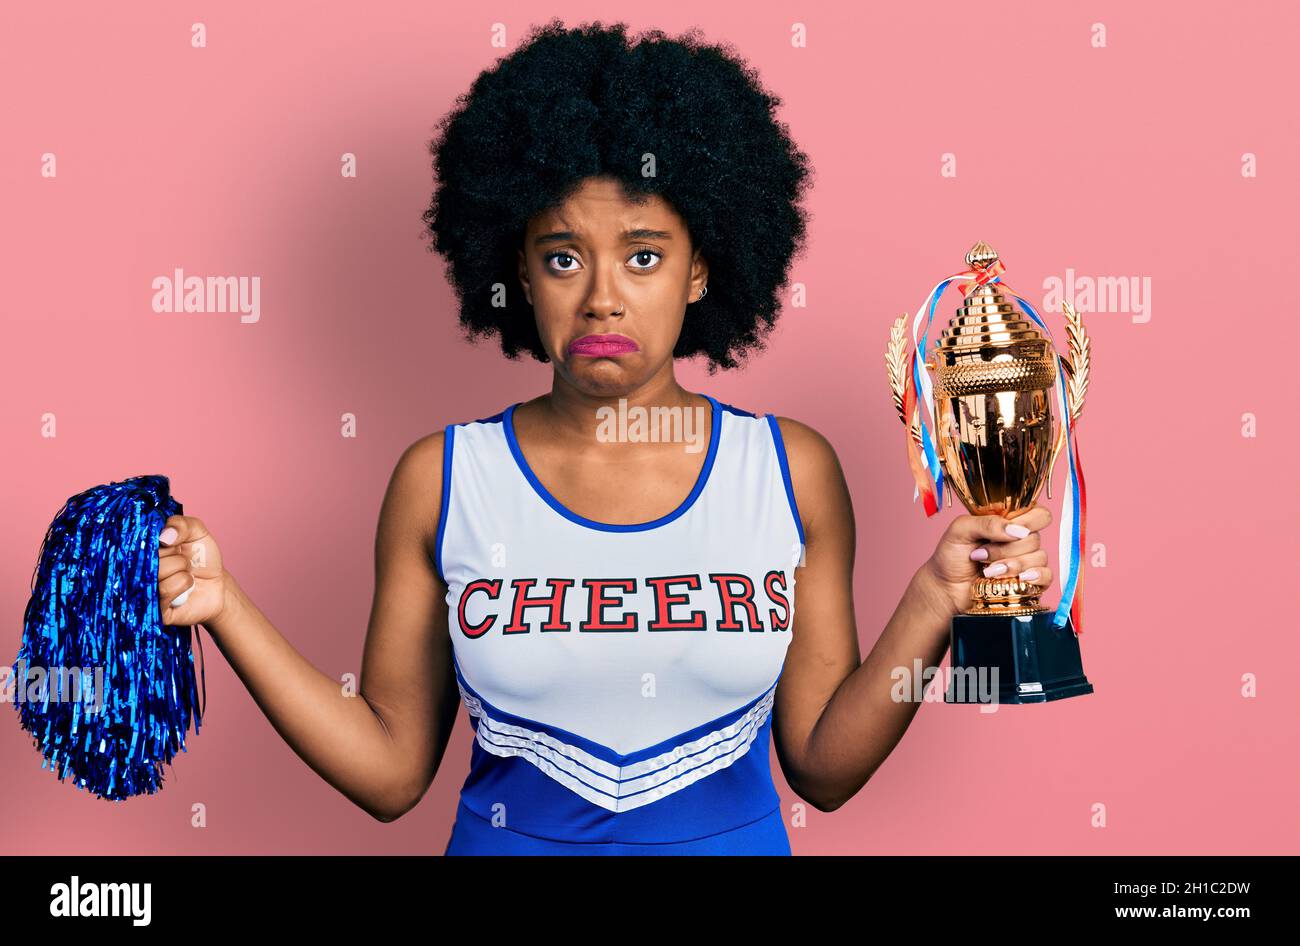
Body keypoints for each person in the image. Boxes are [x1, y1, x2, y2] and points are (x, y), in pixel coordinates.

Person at [155, 19, 1056, 855]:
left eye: (643, 254)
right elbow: (391, 775)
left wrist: (937, 599)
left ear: (703, 269)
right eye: (561, 257)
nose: (601, 297)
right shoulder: (444, 479)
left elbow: (823, 767)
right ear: (517, 271)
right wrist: (224, 605)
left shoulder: (788, 470)